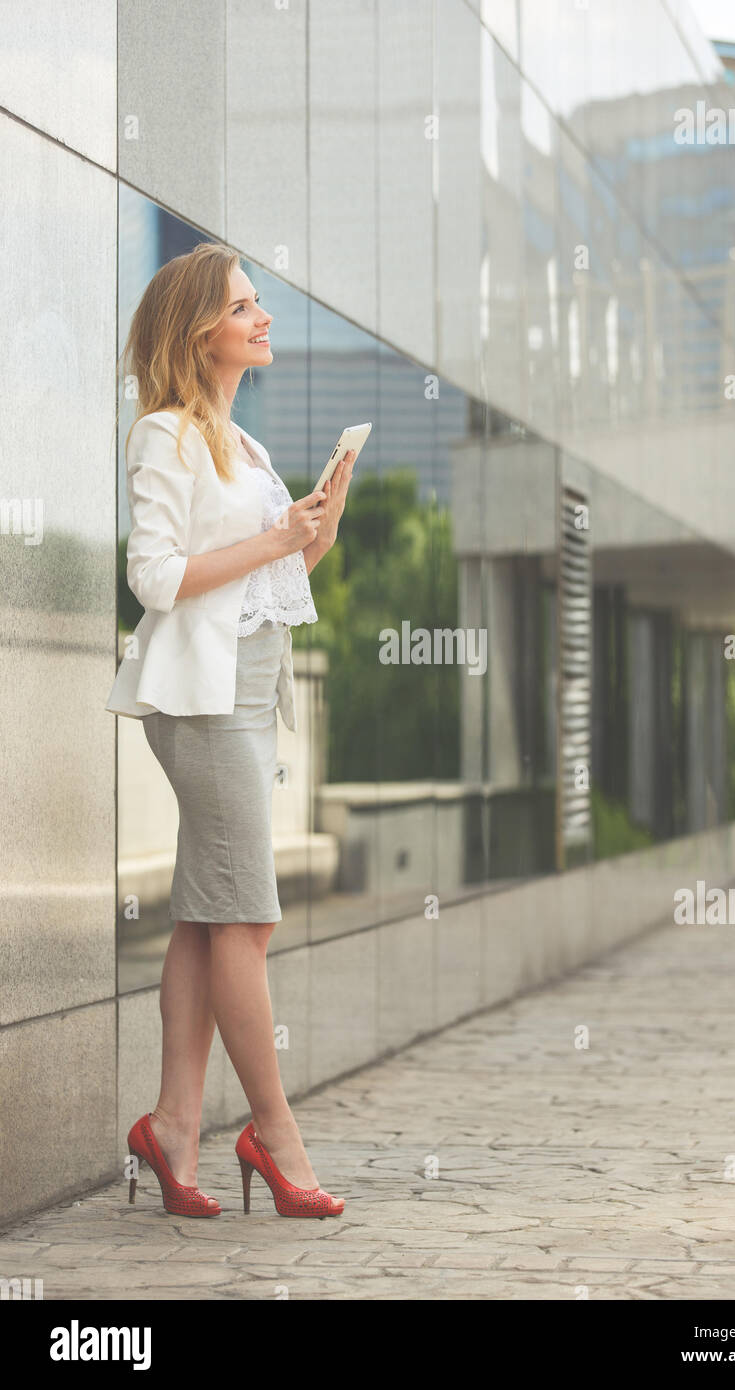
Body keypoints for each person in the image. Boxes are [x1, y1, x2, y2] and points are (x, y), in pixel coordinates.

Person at [106, 242, 355, 1218]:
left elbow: (267, 578)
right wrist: (272, 537)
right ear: (197, 329)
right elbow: (156, 579)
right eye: (242, 307)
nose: (260, 318)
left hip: (250, 692)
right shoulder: (163, 434)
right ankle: (273, 1134)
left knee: (211, 916)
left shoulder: (241, 446)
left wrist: (312, 529)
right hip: (200, 705)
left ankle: (171, 1127)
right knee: (245, 916)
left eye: (257, 303)